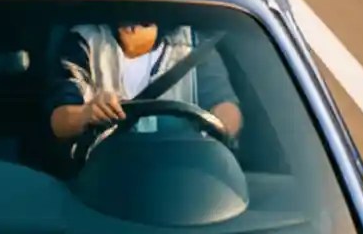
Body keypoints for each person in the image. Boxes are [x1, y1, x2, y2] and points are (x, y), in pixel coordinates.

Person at [48, 22, 243, 143]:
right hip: (107, 172)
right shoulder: (85, 42)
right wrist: (87, 113)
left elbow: (225, 106)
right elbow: (59, 120)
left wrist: (217, 128)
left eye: (144, 17)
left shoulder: (193, 45)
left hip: (183, 170)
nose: (132, 23)